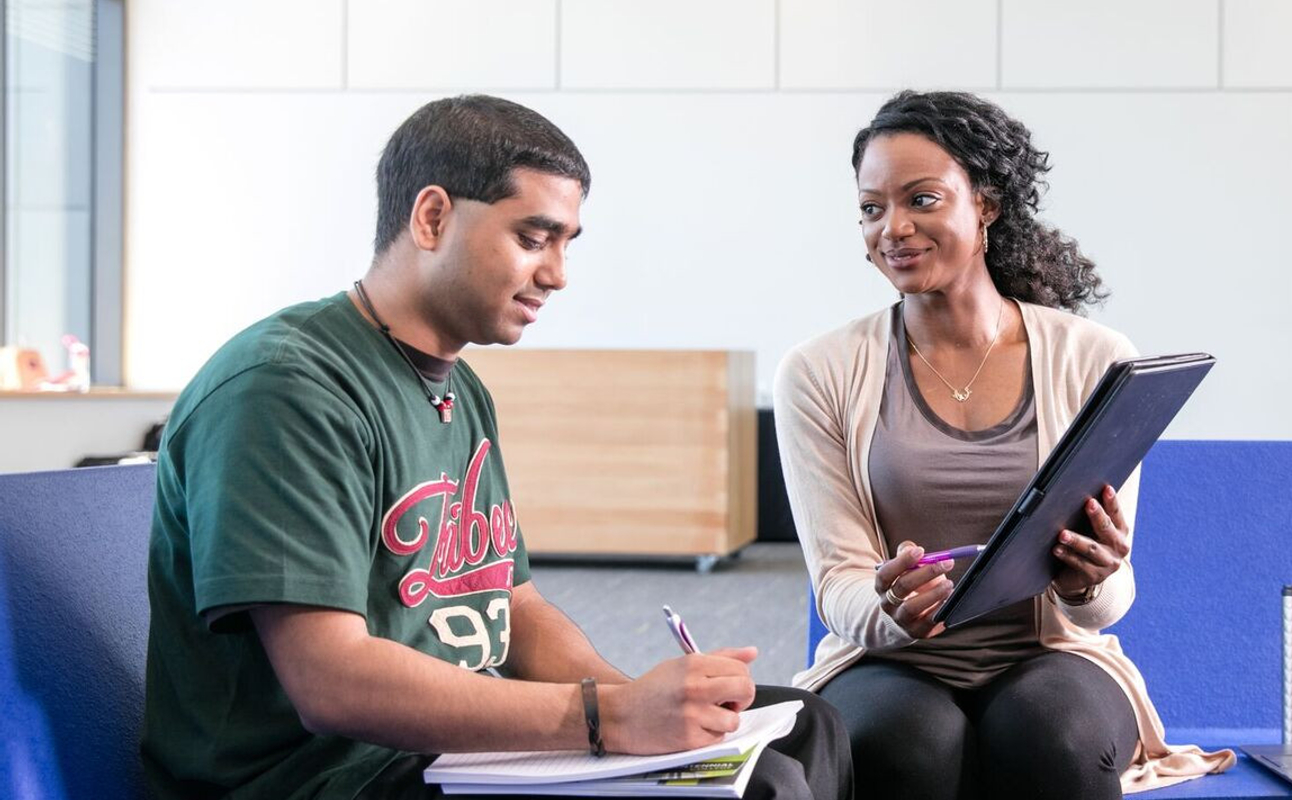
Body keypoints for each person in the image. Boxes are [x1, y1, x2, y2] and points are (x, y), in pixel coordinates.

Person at [141, 95, 850, 800]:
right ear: (432, 218)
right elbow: (331, 683)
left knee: (806, 726)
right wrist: (609, 718)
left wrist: (642, 706)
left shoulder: (462, 389)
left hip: (445, 750)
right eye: (534, 239)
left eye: (567, 244)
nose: (558, 273)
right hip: (330, 777)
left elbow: (516, 606)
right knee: (766, 785)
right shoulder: (285, 387)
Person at [773, 90, 1234, 799]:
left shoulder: (1094, 359)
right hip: (885, 660)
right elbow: (838, 582)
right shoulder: (819, 371)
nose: (893, 228)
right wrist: (890, 609)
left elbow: (1107, 599)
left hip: (1052, 653)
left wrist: (1090, 580)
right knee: (905, 744)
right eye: (871, 208)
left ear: (985, 204)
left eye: (922, 199)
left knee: (1052, 734)